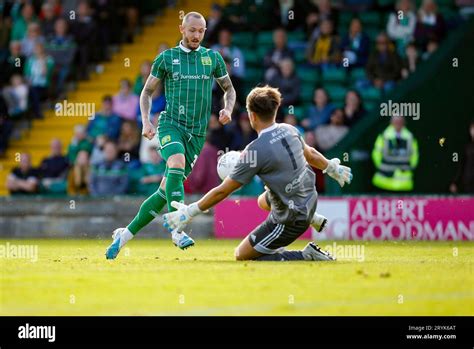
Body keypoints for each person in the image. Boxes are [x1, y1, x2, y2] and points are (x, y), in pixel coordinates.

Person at [162, 86, 352, 262]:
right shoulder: (289, 129)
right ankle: (313, 218)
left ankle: (306, 255)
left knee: (242, 255)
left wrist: (189, 211)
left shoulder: (255, 151)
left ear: (252, 116)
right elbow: (310, 153)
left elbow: (223, 191)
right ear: (275, 111)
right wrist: (331, 168)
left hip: (291, 218)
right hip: (310, 197)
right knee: (262, 201)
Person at [105, 11, 236, 259]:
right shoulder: (166, 58)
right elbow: (145, 93)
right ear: (181, 29)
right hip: (170, 125)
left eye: (201, 31)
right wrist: (145, 121)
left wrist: (227, 108)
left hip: (196, 135)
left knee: (164, 193)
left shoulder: (212, 58)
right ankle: (177, 231)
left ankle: (124, 236)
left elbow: (229, 88)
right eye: (192, 30)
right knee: (176, 162)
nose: (196, 35)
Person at [372, 115, 419, 191]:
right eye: (396, 121)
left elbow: (414, 156)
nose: (398, 123)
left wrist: (410, 167)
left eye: (400, 121)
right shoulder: (384, 135)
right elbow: (376, 154)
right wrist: (381, 167)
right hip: (383, 182)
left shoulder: (410, 137)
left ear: (404, 122)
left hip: (404, 184)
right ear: (391, 122)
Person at [450, 121, 474, 194]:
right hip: (467, 184)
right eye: (472, 128)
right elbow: (461, 166)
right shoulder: (467, 147)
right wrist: (455, 182)